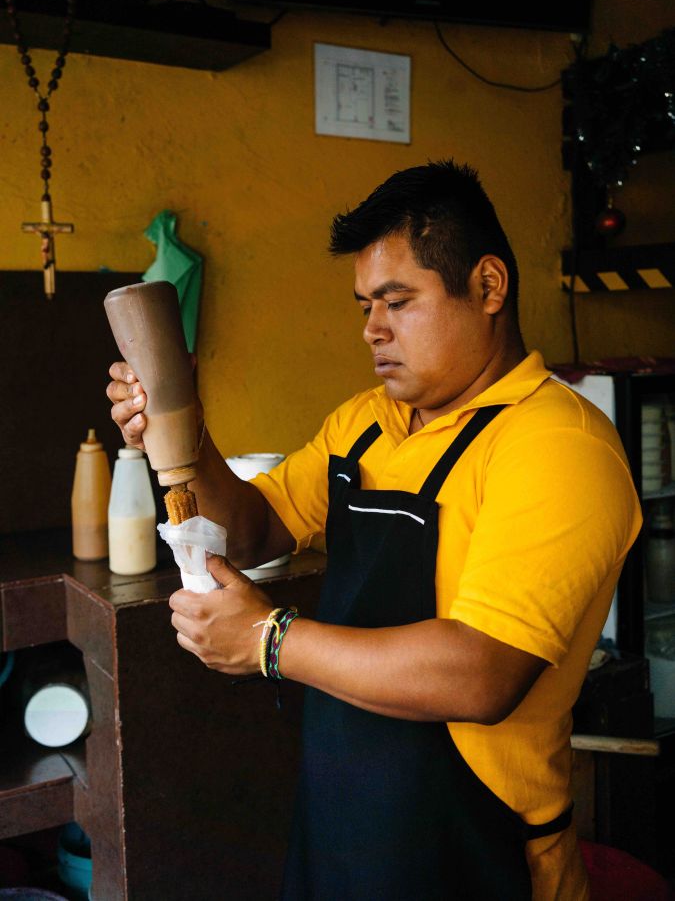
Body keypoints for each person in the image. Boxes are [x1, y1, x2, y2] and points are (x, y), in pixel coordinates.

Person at [107, 159, 641, 900]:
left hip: (476, 851)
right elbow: (255, 531)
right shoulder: (363, 424)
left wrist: (269, 640)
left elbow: (481, 673)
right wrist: (180, 426)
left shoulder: (556, 445)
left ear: (487, 286)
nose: (371, 329)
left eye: (397, 301)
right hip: (346, 824)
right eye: (364, 304)